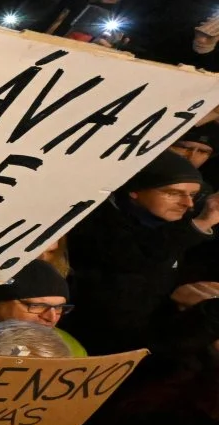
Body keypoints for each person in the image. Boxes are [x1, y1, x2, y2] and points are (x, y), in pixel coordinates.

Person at [66, 151, 219, 352]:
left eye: (192, 195)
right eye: (173, 193)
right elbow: (136, 257)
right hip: (95, 342)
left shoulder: (169, 225)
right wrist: (202, 223)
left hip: (146, 339)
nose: (188, 204)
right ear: (134, 191)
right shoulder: (94, 223)